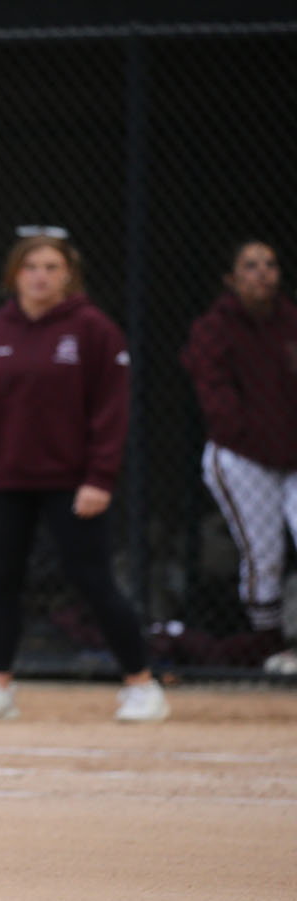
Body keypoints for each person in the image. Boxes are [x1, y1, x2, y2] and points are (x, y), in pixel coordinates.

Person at [0, 229, 170, 723]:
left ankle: (142, 684)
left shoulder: (95, 331)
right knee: (1, 581)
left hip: (71, 483)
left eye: (52, 268)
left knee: (92, 579)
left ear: (69, 276)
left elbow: (111, 413)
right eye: (31, 267)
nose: (41, 277)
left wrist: (100, 478)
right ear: (14, 275)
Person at [179, 239, 297, 675]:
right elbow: (215, 396)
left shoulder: (291, 322)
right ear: (231, 279)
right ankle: (269, 643)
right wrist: (255, 437)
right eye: (250, 266)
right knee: (265, 554)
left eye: (270, 264)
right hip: (244, 455)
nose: (262, 273)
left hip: (293, 455)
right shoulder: (215, 328)